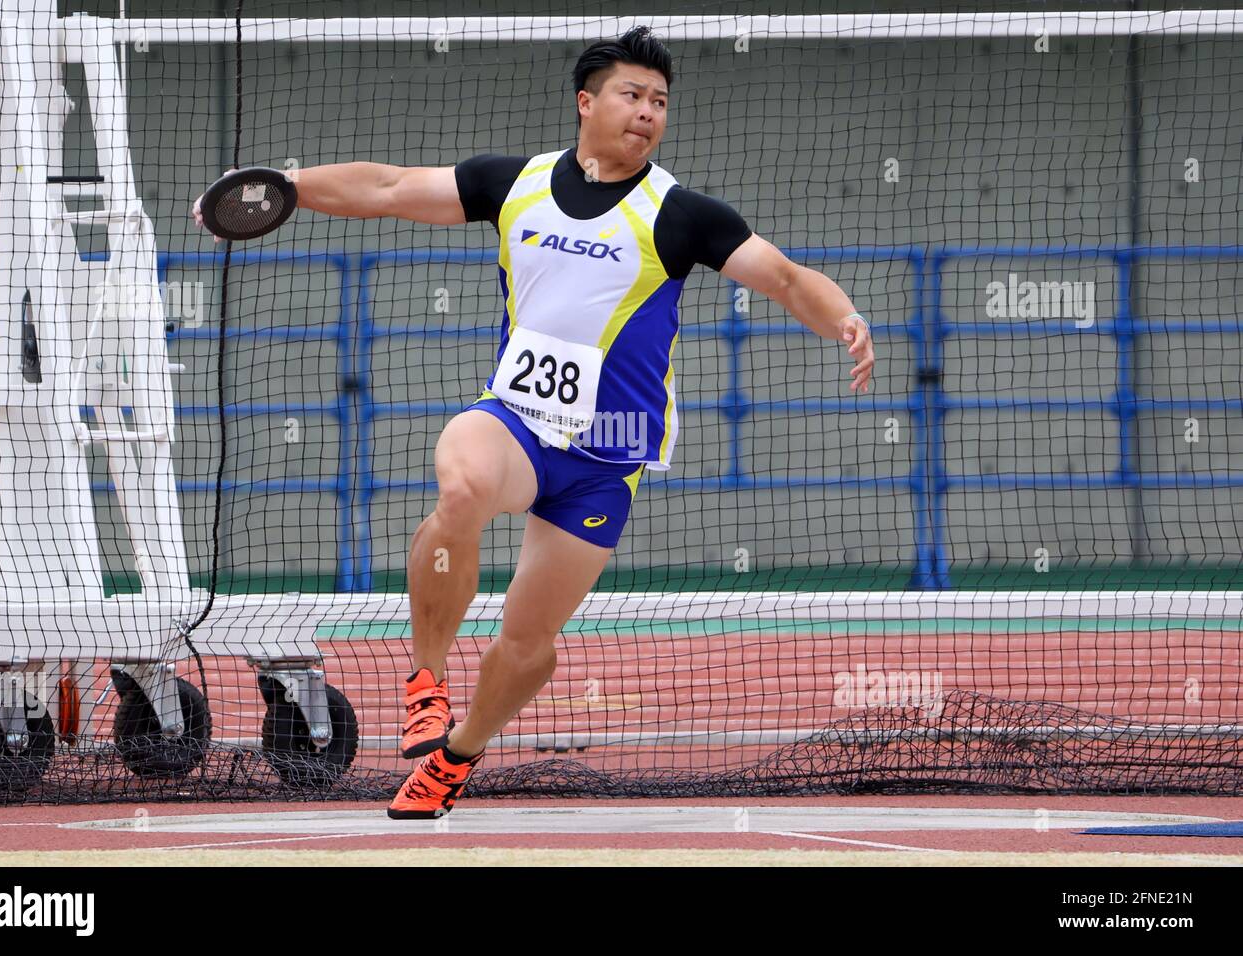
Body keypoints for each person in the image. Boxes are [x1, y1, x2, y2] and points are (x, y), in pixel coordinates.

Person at [195, 26, 874, 818]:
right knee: (462, 487)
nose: (647, 111)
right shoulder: (511, 185)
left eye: (659, 101)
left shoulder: (682, 215)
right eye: (632, 94)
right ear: (586, 102)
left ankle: (457, 757)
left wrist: (846, 316)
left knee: (527, 646)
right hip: (516, 422)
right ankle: (425, 679)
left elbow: (787, 278)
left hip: (606, 455)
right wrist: (288, 183)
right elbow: (384, 189)